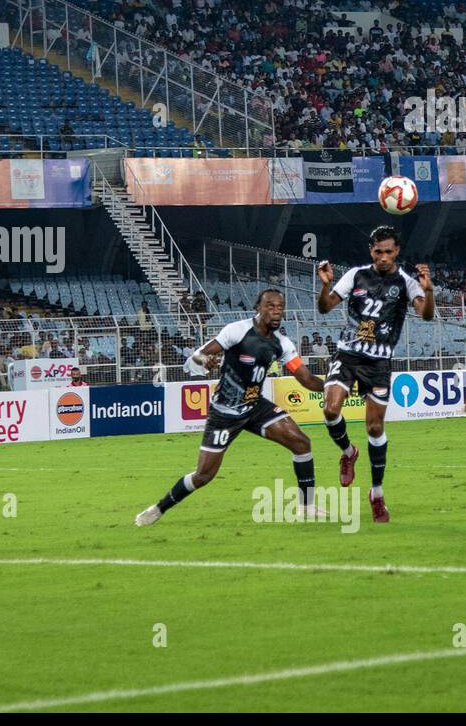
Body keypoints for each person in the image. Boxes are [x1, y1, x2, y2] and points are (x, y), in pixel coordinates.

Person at [135, 290, 328, 527]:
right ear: (258, 307)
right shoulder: (237, 330)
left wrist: (337, 387)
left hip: (255, 405)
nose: (276, 310)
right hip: (225, 412)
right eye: (270, 305)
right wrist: (205, 360)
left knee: (301, 442)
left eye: (280, 306)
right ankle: (159, 508)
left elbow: (306, 379)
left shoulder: (282, 344)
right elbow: (198, 355)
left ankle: (306, 506)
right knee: (203, 476)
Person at [316, 226, 434, 522]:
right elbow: (325, 307)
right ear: (371, 251)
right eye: (378, 251)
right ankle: (348, 452)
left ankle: (377, 494)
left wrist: (429, 290)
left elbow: (426, 314)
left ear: (397, 252)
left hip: (379, 364)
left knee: (374, 429)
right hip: (348, 354)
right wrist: (325, 286)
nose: (383, 257)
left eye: (389, 252)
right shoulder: (355, 275)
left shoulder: (406, 283)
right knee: (330, 409)